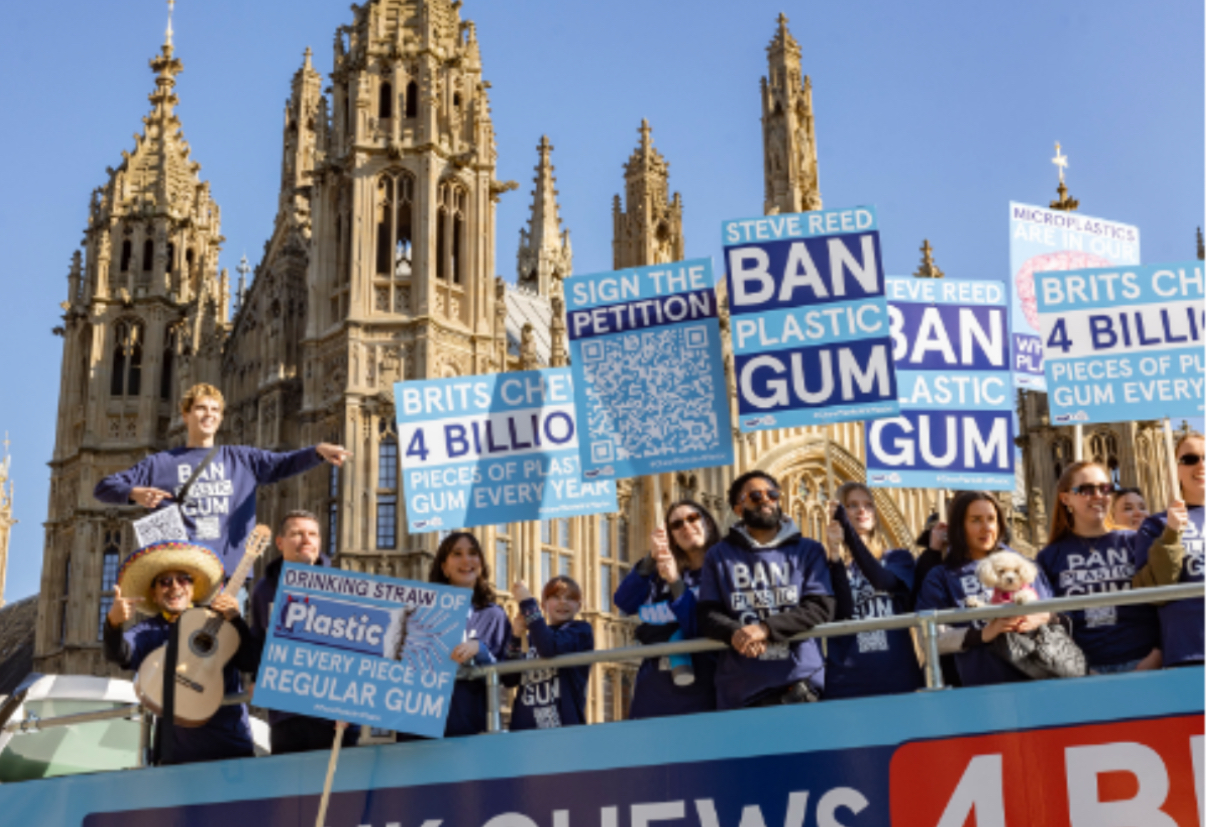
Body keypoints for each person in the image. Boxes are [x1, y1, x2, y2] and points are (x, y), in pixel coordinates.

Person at [94, 383, 350, 576]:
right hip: (178, 576)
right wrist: (134, 493)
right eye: (201, 408)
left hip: (226, 576)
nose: (209, 414)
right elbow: (104, 487)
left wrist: (317, 451)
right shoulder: (160, 463)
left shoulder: (242, 459)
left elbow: (284, 463)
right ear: (185, 415)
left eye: (215, 410)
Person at [103, 541, 257, 765]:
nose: (175, 587)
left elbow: (250, 661)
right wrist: (113, 624)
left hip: (231, 747)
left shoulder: (222, 621)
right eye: (165, 582)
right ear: (154, 594)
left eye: (184, 579)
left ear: (193, 589)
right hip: (177, 755)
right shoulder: (149, 631)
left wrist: (237, 621)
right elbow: (120, 654)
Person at [697, 470, 834, 709]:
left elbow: (821, 607)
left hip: (798, 681)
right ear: (738, 508)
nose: (766, 501)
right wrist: (736, 633)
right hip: (741, 689)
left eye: (772, 494)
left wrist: (765, 629)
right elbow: (707, 614)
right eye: (755, 496)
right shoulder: (718, 555)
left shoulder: (808, 550)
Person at [247, 510, 358, 754]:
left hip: (333, 717)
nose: (307, 540)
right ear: (280, 542)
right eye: (297, 534)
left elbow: (359, 650)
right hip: (285, 717)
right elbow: (259, 641)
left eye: (313, 534)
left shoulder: (343, 586)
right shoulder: (264, 590)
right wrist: (256, 677)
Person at [916, 491, 1054, 687]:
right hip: (978, 685)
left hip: (1034, 678)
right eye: (976, 520)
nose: (987, 527)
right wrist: (983, 634)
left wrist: (1041, 617)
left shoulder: (1021, 564)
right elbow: (929, 637)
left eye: (991, 519)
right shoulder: (941, 577)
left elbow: (1056, 612)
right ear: (959, 526)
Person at [1036, 463, 1161, 674]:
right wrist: (1079, 669)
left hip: (1143, 662)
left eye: (1104, 488)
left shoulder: (1135, 542)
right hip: (1084, 671)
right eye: (1086, 489)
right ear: (1066, 499)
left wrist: (1157, 655)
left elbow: (1164, 600)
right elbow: (1048, 622)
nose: (1098, 496)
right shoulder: (1049, 557)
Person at [614, 499, 720, 718]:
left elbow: (700, 626)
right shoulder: (659, 572)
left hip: (702, 691)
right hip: (654, 691)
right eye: (677, 525)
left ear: (708, 523)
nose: (686, 526)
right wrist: (650, 558)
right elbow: (624, 602)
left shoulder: (723, 571)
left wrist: (674, 581)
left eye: (692, 518)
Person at [823, 483, 924, 698]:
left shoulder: (897, 558)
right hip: (846, 681)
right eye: (852, 505)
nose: (862, 510)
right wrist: (835, 555)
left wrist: (849, 533)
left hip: (897, 676)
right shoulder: (828, 565)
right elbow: (844, 612)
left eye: (868, 505)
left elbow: (882, 581)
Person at [428, 531, 512, 736]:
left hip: (469, 728)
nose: (466, 560)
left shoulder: (493, 616)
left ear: (480, 564)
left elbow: (507, 676)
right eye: (457, 554)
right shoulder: (422, 611)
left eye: (473, 553)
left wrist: (480, 649)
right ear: (444, 567)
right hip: (421, 730)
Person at [1133, 431, 1205, 667]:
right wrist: (1172, 533)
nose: (1201, 465)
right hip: (1191, 650)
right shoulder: (1156, 524)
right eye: (1190, 459)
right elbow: (1153, 590)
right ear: (1175, 469)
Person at [505, 576, 594, 730]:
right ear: (543, 605)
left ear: (579, 606)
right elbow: (509, 679)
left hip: (563, 731)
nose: (562, 602)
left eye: (570, 598)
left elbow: (549, 648)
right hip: (526, 733)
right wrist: (516, 636)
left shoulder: (580, 632)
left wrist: (527, 603)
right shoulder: (533, 638)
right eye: (555, 597)